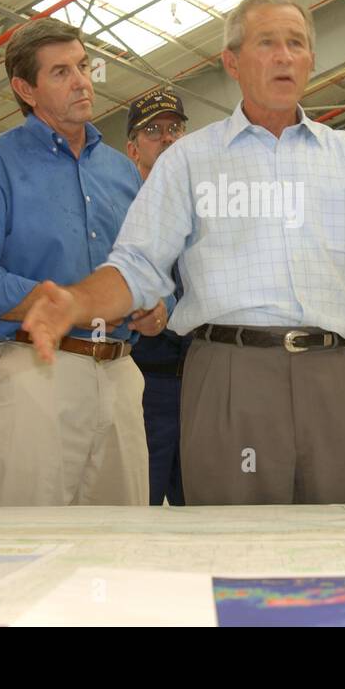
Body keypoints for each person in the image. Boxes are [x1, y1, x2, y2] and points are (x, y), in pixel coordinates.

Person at [18, 0, 345, 505]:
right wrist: (76, 302)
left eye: (297, 44)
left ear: (310, 60)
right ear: (232, 62)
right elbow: (136, 265)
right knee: (236, 546)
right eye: (268, 43)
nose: (285, 56)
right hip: (229, 377)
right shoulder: (191, 161)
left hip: (336, 378)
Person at [0, 18, 167, 508]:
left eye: (83, 66)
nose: (83, 80)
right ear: (26, 89)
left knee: (121, 542)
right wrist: (48, 300)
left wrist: (156, 305)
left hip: (122, 373)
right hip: (35, 370)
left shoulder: (123, 173)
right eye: (61, 72)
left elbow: (146, 265)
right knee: (24, 543)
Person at [124, 89, 190, 506]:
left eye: (175, 128)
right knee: (137, 512)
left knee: (205, 516)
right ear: (133, 149)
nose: (166, 138)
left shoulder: (209, 208)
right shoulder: (120, 212)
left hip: (203, 382)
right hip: (143, 385)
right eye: (153, 131)